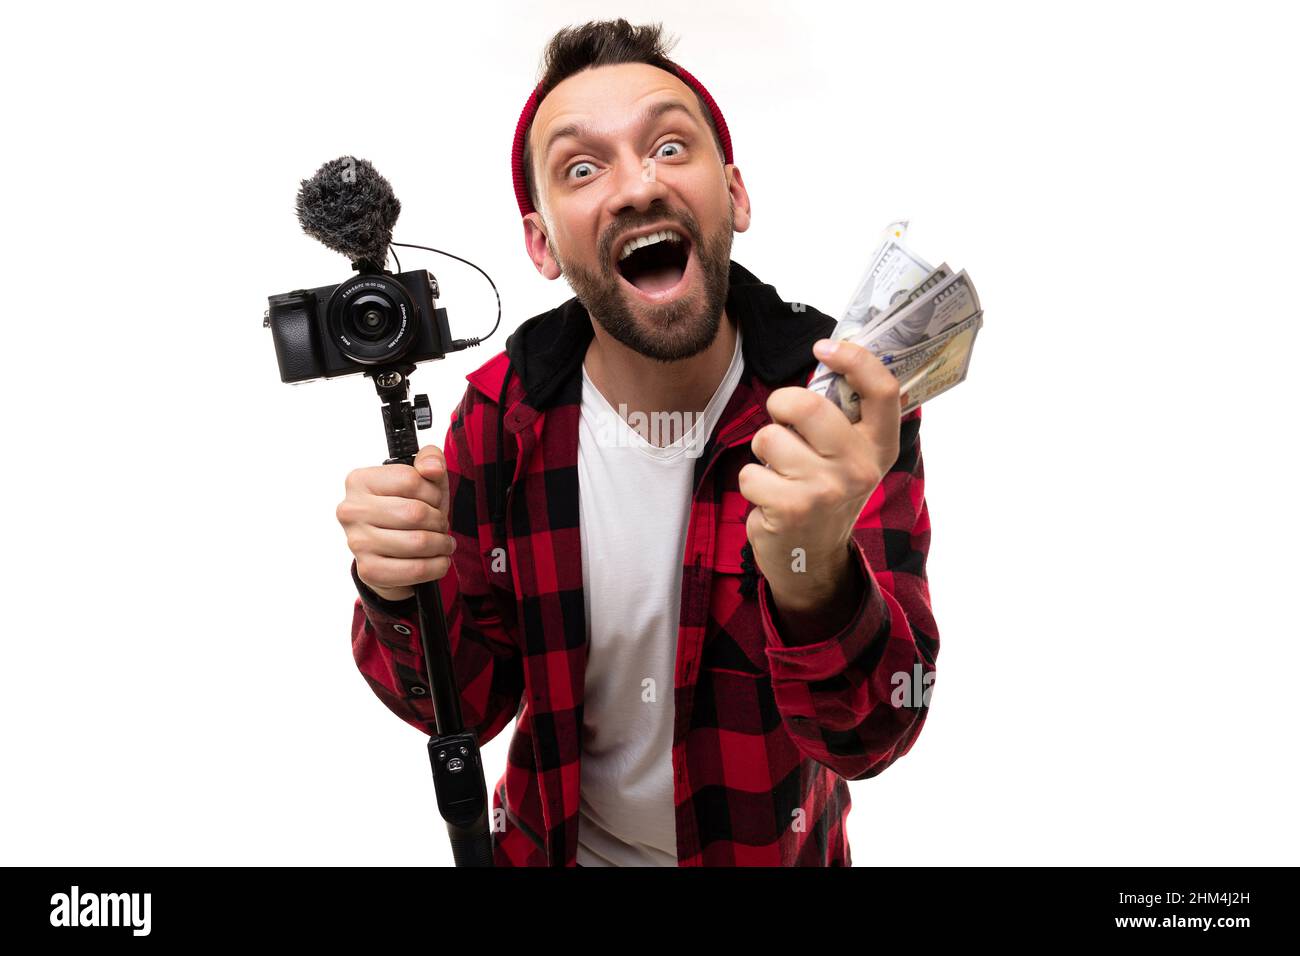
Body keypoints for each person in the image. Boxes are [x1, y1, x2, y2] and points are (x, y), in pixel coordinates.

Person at [337, 18, 940, 867]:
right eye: (582, 168)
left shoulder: (841, 413)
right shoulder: (500, 417)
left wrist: (816, 571)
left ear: (734, 195)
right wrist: (398, 592)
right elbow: (468, 706)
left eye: (668, 145)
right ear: (543, 244)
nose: (635, 188)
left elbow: (873, 734)